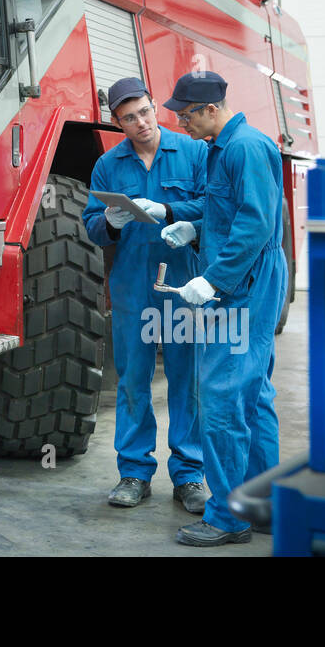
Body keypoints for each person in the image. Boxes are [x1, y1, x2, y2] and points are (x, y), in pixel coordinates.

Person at [158, 70, 287, 547]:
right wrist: (191, 225)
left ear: (211, 110)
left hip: (245, 284)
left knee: (221, 396)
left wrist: (213, 279)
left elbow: (255, 226)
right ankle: (264, 503)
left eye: (186, 114)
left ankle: (229, 516)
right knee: (253, 394)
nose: (181, 122)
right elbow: (227, 212)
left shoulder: (244, 148)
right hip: (248, 278)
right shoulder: (223, 148)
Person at [82, 77, 208, 517]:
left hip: (182, 284)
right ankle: (134, 473)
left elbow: (215, 205)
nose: (141, 123)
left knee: (186, 380)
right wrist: (111, 221)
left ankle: (190, 475)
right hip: (134, 287)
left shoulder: (193, 151)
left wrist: (178, 214)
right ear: (117, 122)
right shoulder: (108, 165)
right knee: (133, 381)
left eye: (145, 112)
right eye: (129, 117)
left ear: (156, 107)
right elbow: (91, 223)